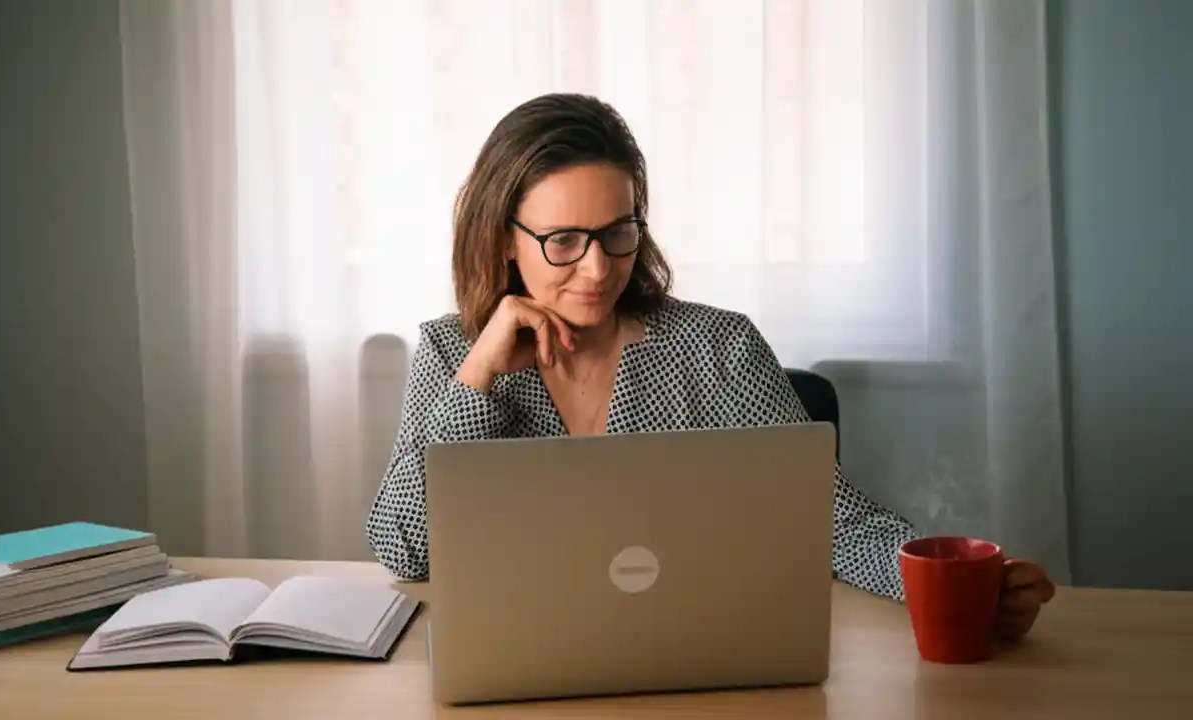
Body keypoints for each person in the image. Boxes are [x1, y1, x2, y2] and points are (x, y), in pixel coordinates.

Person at [366, 93, 1055, 640]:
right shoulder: (453, 355)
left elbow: (832, 523)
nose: (598, 268)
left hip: (697, 657)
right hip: (526, 664)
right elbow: (404, 549)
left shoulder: (717, 348)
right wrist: (478, 378)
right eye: (563, 241)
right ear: (506, 240)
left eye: (617, 232)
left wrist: (951, 586)